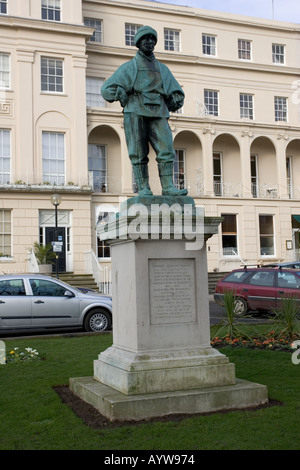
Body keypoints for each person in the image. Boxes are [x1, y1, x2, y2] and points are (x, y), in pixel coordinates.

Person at [101, 25, 188, 197]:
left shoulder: (162, 69)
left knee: (166, 149)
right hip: (135, 111)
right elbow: (106, 90)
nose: (149, 42)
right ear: (138, 42)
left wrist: (174, 99)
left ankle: (168, 187)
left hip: (159, 112)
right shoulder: (129, 67)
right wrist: (120, 93)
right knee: (138, 152)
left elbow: (178, 93)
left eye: (152, 39)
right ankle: (143, 188)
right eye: (145, 39)